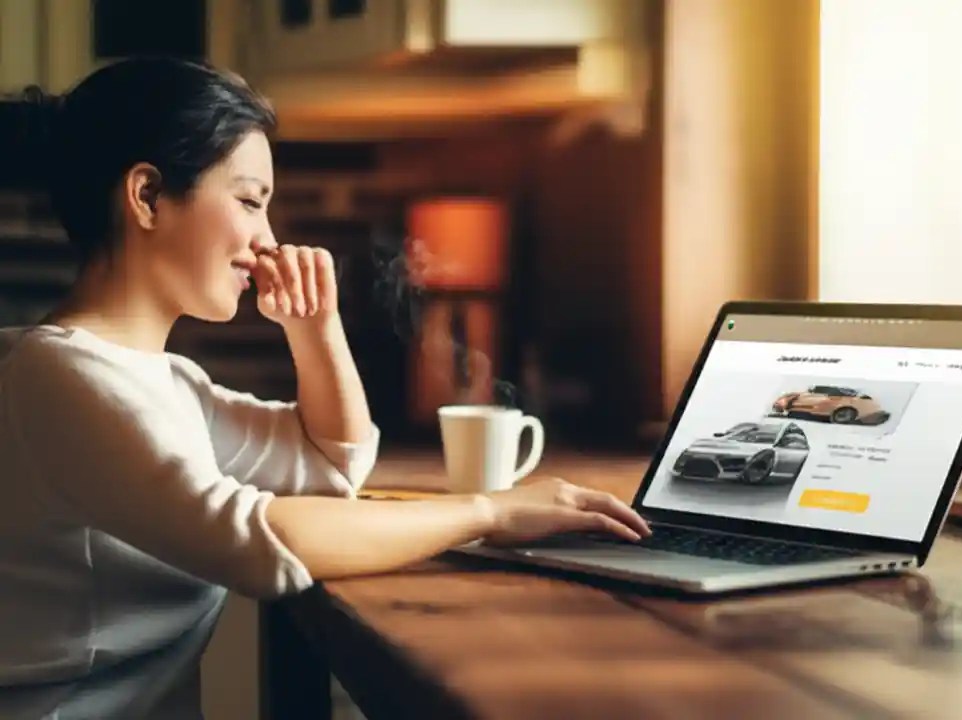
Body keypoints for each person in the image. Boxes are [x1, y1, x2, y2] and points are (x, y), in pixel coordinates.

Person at [0, 57, 650, 720]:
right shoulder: (61, 379)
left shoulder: (163, 384)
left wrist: (316, 331)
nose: (268, 237)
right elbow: (260, 543)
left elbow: (329, 467)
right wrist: (491, 511)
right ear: (146, 197)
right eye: (251, 200)